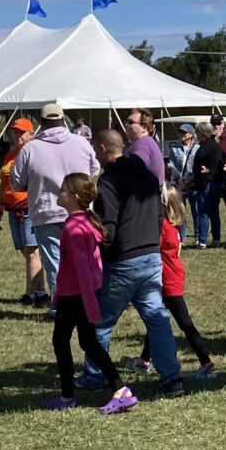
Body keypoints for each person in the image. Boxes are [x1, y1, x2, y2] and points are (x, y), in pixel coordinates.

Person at [87, 130, 184, 396]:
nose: (95, 154)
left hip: (123, 259)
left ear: (104, 148)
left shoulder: (108, 180)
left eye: (96, 149)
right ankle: (171, 377)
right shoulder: (148, 175)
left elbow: (109, 224)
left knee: (102, 321)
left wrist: (102, 251)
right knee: (157, 318)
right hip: (151, 256)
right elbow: (157, 215)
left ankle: (95, 374)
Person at [42, 173, 137, 415]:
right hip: (81, 294)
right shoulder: (86, 222)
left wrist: (91, 306)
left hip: (77, 296)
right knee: (88, 342)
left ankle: (67, 396)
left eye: (62, 190)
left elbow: (83, 271)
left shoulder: (74, 229)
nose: (58, 193)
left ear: (73, 197)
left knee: (61, 341)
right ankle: (119, 389)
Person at [9, 104, 99, 295]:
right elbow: (94, 170)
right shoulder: (81, 143)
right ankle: (87, 299)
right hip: (81, 212)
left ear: (40, 123)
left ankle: (61, 307)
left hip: (46, 213)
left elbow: (17, 182)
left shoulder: (30, 149)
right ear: (63, 120)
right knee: (84, 260)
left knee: (55, 263)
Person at [139, 189, 216, 379]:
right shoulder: (172, 226)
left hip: (167, 280)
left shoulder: (163, 226)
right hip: (171, 277)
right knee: (155, 319)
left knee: (185, 324)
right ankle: (143, 360)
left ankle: (206, 362)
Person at [0, 118, 46, 305]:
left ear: (32, 133)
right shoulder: (11, 155)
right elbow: (3, 185)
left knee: (32, 251)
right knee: (27, 252)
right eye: (15, 132)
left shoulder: (35, 153)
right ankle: (40, 292)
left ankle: (30, 294)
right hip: (12, 209)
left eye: (22, 132)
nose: (18, 135)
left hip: (29, 208)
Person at [190, 121, 226, 249]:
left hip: (207, 182)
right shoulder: (214, 145)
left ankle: (202, 240)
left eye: (197, 132)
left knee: (203, 212)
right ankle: (216, 239)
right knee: (213, 212)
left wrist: (208, 171)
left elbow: (215, 164)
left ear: (201, 133)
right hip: (213, 182)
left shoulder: (208, 146)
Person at [126, 109, 168, 187]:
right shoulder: (146, 142)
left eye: (131, 122)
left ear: (144, 128)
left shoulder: (143, 145)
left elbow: (135, 174)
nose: (127, 125)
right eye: (127, 122)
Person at [168, 123, 197, 189]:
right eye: (180, 132)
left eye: (184, 132)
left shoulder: (197, 148)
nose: (182, 134)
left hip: (193, 182)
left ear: (191, 134)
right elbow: (173, 165)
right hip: (179, 182)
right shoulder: (174, 148)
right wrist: (178, 180)